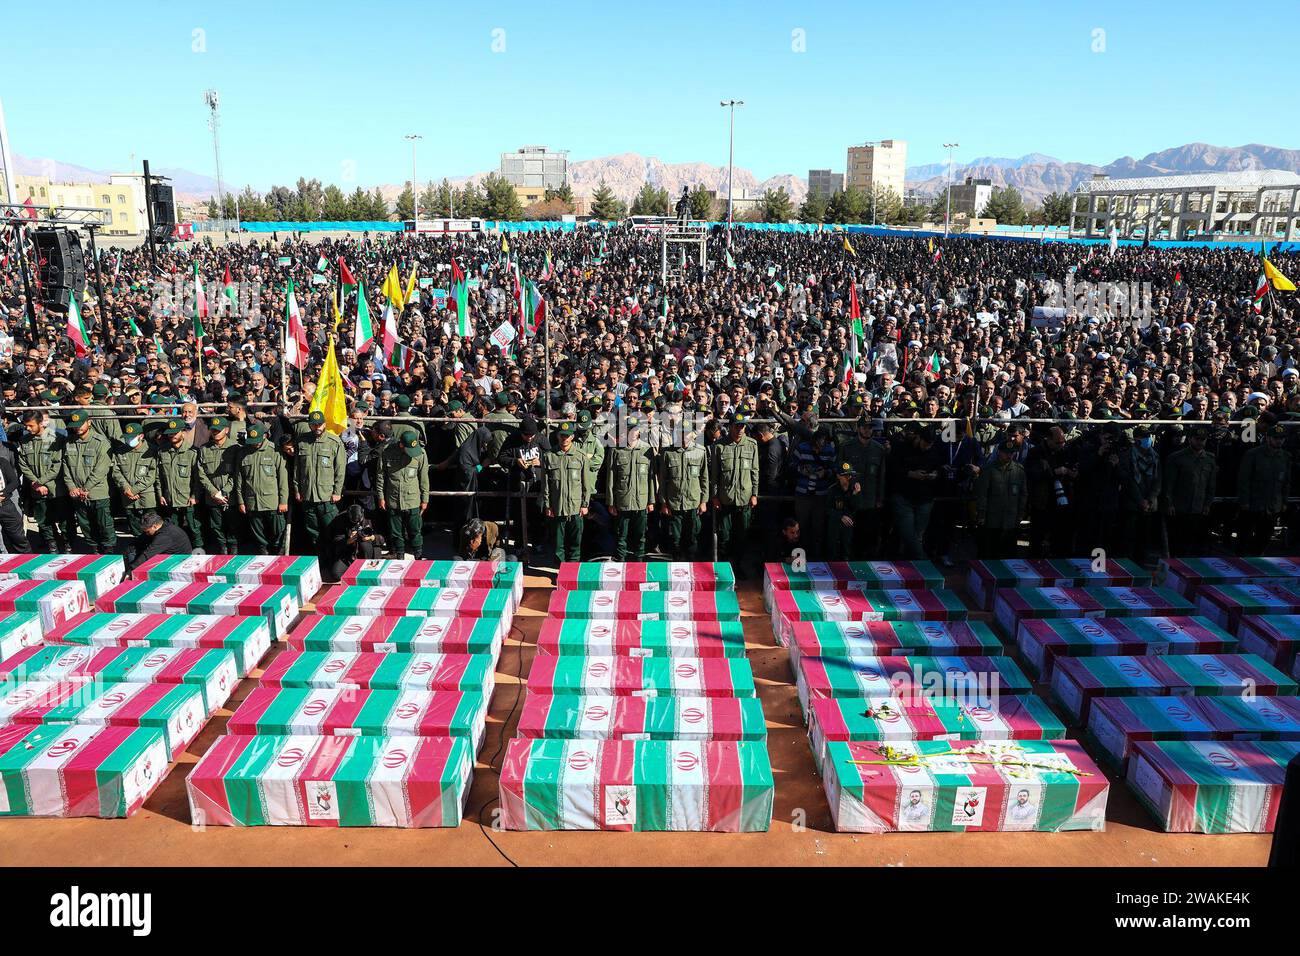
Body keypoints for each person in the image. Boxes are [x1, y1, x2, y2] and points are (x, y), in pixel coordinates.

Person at [60, 409, 117, 553]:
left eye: (80, 424)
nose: (77, 427)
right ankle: (94, 551)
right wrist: (72, 487)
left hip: (97, 492)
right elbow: (66, 466)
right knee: (85, 525)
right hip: (77, 493)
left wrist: (86, 488)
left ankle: (109, 552)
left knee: (104, 524)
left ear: (89, 423)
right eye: (75, 425)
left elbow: (101, 470)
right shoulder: (69, 442)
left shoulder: (101, 442)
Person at [295, 410, 346, 560]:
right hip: (308, 495)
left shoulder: (334, 442)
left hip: (327, 496)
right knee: (313, 532)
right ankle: (320, 559)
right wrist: (297, 489)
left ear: (325, 424)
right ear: (309, 425)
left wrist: (337, 491)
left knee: (332, 530)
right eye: (313, 424)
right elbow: (297, 469)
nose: (317, 427)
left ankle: (335, 560)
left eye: (319, 424)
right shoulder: (302, 441)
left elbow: (340, 470)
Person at [16, 410, 70, 552]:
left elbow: (57, 464)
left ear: (41, 424)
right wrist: (35, 482)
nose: (27, 428)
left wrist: (41, 481)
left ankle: (67, 545)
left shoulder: (55, 439)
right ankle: (52, 544)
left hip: (56, 488)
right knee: (43, 520)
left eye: (30, 425)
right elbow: (23, 464)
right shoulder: (25, 441)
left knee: (64, 520)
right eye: (26, 425)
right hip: (36, 489)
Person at [711, 411, 760, 567]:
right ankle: (725, 568)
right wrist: (715, 496)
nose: (740, 429)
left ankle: (738, 567)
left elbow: (755, 471)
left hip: (744, 499)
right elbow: (714, 474)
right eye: (737, 426)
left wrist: (754, 494)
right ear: (731, 426)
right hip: (726, 499)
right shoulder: (719, 446)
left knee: (741, 537)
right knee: (724, 536)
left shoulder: (751, 445)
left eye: (742, 426)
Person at [1162, 425, 1218, 556]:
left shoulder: (1209, 459)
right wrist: (1169, 503)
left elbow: (1211, 485)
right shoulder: (1176, 458)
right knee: (1177, 545)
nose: (1200, 442)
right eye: (1197, 439)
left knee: (1197, 547)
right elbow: (1169, 483)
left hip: (1199, 508)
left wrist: (1208, 504)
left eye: (1203, 439)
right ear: (1190, 439)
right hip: (1179, 507)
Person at [234, 423, 289, 555]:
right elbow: (239, 479)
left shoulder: (274, 451)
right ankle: (263, 553)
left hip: (272, 501)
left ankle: (278, 553)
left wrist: (283, 501)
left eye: (258, 441)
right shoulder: (243, 453)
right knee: (258, 534)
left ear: (265, 436)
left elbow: (282, 478)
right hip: (252, 501)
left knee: (278, 531)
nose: (255, 444)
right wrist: (241, 501)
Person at [1237, 424, 1292, 556]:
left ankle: (1257, 563)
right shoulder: (1253, 455)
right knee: (1244, 537)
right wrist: (1244, 501)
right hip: (1253, 503)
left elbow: (1286, 482)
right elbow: (1244, 479)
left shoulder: (1286, 456)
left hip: (1272, 505)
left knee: (1264, 538)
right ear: (1268, 438)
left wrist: (1284, 501)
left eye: (1282, 438)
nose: (1279, 441)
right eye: (1276, 438)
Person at [607, 415, 656, 561]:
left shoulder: (646, 450)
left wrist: (651, 500)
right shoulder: (616, 450)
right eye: (628, 430)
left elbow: (651, 478)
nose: (631, 433)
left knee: (640, 535)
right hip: (622, 500)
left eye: (634, 430)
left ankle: (639, 562)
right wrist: (611, 502)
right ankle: (621, 562)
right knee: (621, 535)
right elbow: (611, 478)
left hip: (641, 500)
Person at [541, 420, 590, 562]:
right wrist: (548, 504)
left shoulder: (580, 456)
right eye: (562, 435)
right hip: (557, 507)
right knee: (558, 544)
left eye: (567, 435)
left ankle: (573, 572)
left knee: (575, 543)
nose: (565, 438)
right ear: (557, 436)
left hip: (576, 507)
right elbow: (545, 485)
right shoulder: (549, 456)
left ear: (572, 436)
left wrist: (585, 504)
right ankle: (560, 572)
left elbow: (586, 483)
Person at [377, 430, 430, 560]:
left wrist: (425, 499)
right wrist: (381, 497)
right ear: (401, 445)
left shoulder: (421, 454)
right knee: (396, 532)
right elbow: (380, 476)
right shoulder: (387, 452)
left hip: (412, 499)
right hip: (393, 499)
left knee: (415, 530)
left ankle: (418, 554)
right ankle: (399, 554)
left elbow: (424, 478)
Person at [656, 426, 708, 560]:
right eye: (681, 433)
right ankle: (676, 565)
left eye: (687, 433)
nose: (684, 436)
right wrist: (663, 502)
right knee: (675, 538)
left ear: (693, 434)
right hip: (674, 503)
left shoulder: (700, 452)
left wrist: (703, 501)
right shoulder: (668, 453)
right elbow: (662, 480)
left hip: (693, 502)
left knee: (692, 537)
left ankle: (691, 566)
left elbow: (704, 477)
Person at [110, 421, 162, 542]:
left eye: (132, 437)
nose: (129, 440)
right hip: (127, 496)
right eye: (127, 438)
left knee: (152, 526)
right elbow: (116, 472)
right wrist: (126, 488)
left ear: (141, 436)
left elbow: (152, 475)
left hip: (146, 497)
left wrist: (134, 490)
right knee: (135, 527)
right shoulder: (120, 451)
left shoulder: (151, 450)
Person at [975, 439, 1028, 558]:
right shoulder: (989, 469)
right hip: (992, 519)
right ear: (999, 452)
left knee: (1009, 553)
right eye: (1006, 453)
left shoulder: (1019, 470)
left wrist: (1021, 514)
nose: (1009, 455)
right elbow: (982, 494)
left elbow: (1023, 494)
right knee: (990, 552)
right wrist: (982, 514)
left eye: (1011, 453)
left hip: (1011, 520)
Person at [196, 416, 239, 553]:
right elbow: (201, 473)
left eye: (219, 430)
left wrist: (224, 491)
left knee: (233, 525)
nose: (215, 433)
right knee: (216, 525)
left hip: (230, 497)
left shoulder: (235, 448)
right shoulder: (204, 449)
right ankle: (222, 547)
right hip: (212, 497)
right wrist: (214, 492)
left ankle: (233, 547)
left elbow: (237, 473)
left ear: (226, 430)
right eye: (213, 430)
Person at [158, 418, 202, 547]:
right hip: (170, 497)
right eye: (170, 433)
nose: (172, 435)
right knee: (173, 528)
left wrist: (195, 495)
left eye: (175, 433)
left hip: (187, 497)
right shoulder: (163, 452)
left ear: (183, 432)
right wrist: (160, 494)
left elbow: (198, 477)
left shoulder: (192, 452)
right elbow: (159, 476)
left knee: (194, 527)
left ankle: (199, 550)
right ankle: (177, 550)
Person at [324, 504, 386, 581]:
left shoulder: (372, 517)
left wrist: (372, 537)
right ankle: (355, 569)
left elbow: (383, 538)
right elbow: (336, 541)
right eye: (353, 522)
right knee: (336, 574)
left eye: (358, 521)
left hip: (369, 550)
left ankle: (367, 570)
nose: (356, 523)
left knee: (364, 544)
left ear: (363, 513)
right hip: (349, 553)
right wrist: (348, 541)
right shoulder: (340, 520)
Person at [126, 511, 193, 571]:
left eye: (148, 531)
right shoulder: (162, 525)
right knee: (132, 548)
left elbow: (148, 554)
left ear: (154, 526)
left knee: (139, 556)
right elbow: (142, 539)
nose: (146, 533)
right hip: (171, 555)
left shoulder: (165, 536)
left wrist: (131, 569)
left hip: (179, 561)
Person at [824, 462, 860, 560]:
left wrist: (855, 495)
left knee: (847, 550)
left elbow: (855, 508)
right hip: (835, 523)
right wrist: (840, 516)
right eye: (845, 476)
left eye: (850, 475)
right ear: (838, 476)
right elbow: (827, 509)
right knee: (833, 550)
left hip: (848, 524)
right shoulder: (832, 490)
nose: (848, 478)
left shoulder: (854, 489)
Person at [0, 452, 31, 553]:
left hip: (5, 505)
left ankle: (28, 562)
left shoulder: (2, 462)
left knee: (18, 538)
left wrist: (4, 493)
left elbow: (14, 481)